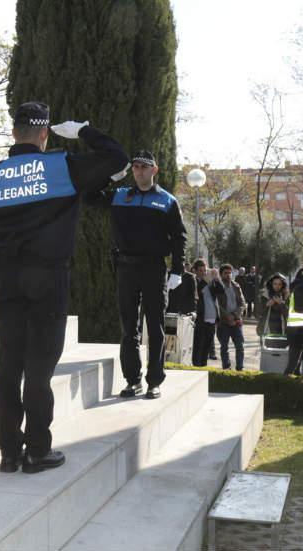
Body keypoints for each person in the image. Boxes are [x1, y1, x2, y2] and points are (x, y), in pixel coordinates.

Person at [0, 101, 129, 474]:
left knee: (8, 369)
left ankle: (9, 452)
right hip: (48, 279)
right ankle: (37, 451)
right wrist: (83, 130)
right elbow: (116, 157)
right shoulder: (61, 167)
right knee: (39, 371)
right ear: (44, 134)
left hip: (8, 280)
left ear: (14, 134)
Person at [85, 150, 187, 400]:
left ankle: (155, 381)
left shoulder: (167, 200)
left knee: (155, 326)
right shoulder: (121, 196)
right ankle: (133, 380)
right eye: (135, 167)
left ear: (154, 170)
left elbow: (179, 238)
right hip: (126, 268)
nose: (139, 171)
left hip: (154, 268)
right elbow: (88, 195)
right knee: (128, 327)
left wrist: (177, 269)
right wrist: (111, 177)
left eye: (144, 167)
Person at [211, 263, 246, 370]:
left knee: (240, 346)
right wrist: (227, 316)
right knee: (224, 348)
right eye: (226, 273)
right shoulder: (216, 287)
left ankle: (240, 368)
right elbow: (216, 304)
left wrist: (234, 315)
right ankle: (226, 368)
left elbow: (242, 303)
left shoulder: (236, 286)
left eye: (230, 273)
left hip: (236, 322)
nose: (228, 275)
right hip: (223, 323)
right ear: (221, 275)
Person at [191, 259, 217, 367]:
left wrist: (215, 278)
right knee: (198, 347)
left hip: (211, 320)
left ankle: (203, 367)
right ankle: (197, 368)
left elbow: (221, 291)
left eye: (205, 271)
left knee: (206, 347)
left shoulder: (210, 282)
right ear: (195, 271)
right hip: (200, 320)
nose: (204, 273)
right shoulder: (193, 282)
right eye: (201, 271)